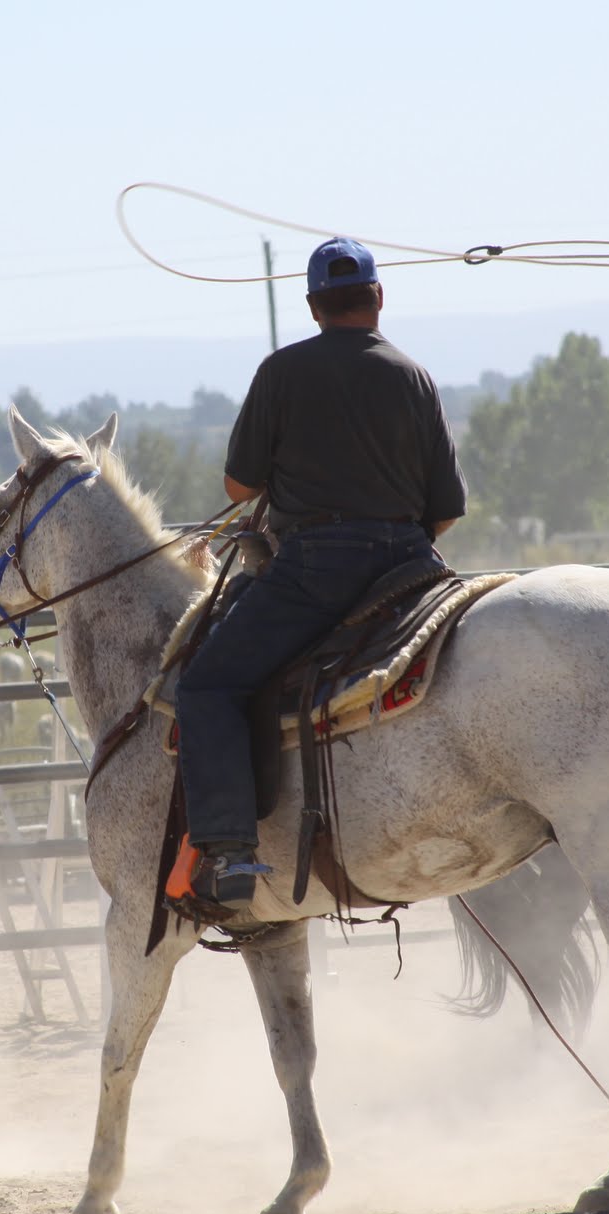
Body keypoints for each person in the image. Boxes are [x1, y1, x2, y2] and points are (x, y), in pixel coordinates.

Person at [174, 236, 468, 906]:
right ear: (378, 298)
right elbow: (446, 510)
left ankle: (229, 852)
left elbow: (238, 486)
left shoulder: (281, 373)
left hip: (315, 572)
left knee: (209, 685)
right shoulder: (415, 376)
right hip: (411, 566)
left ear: (313, 308)